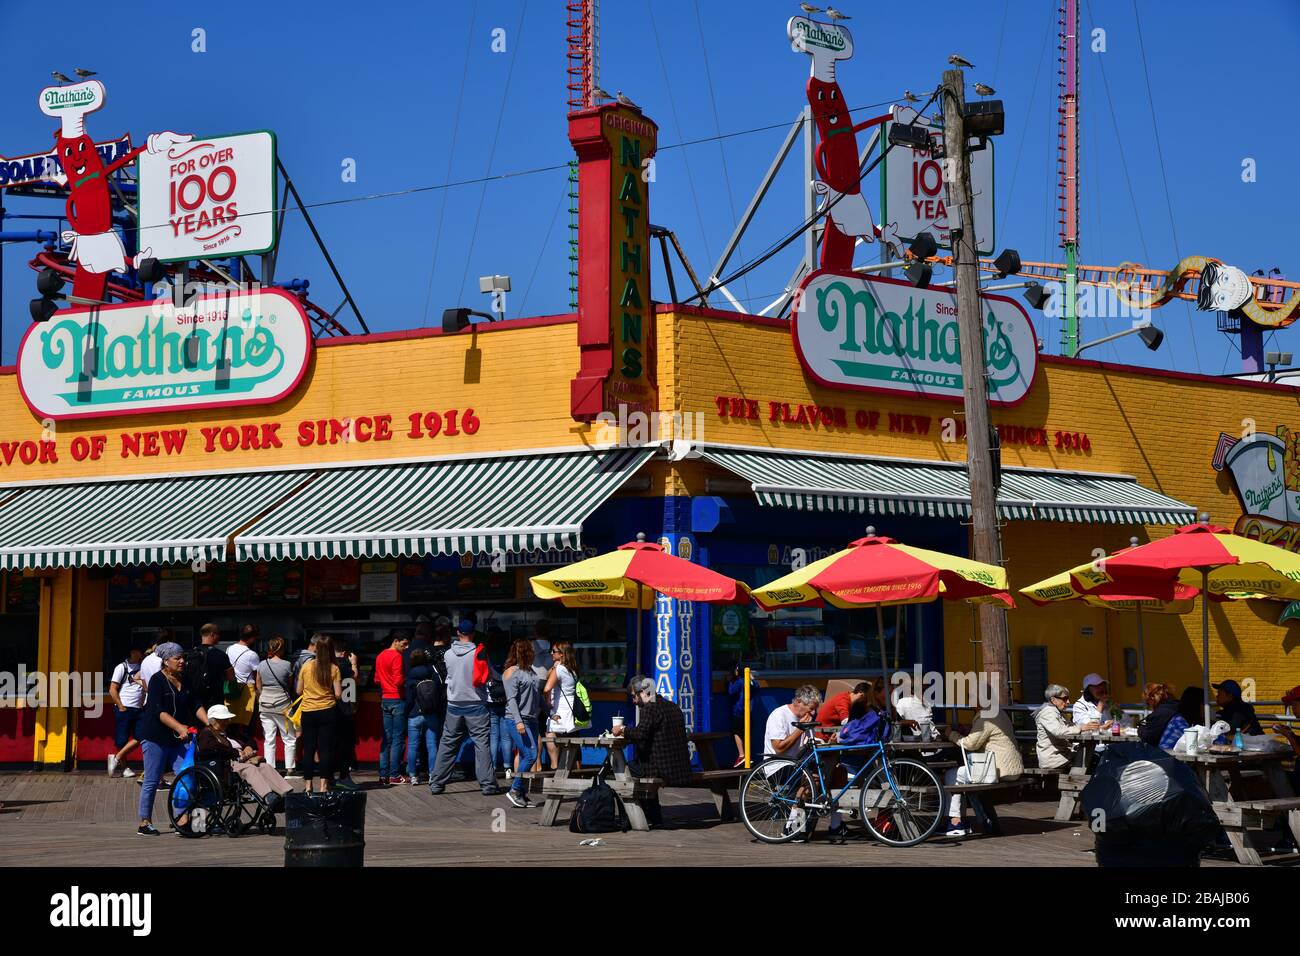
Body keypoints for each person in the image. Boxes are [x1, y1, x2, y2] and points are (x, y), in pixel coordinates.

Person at [135, 642, 208, 836]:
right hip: (155, 736)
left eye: (183, 657)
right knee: (152, 780)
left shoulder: (186, 679)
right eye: (178, 658)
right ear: (166, 661)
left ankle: (181, 819)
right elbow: (158, 711)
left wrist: (210, 723)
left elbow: (195, 703)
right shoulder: (157, 681)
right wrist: (179, 727)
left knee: (187, 777)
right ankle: (145, 822)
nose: (182, 661)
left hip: (178, 738)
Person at [428, 619, 502, 796]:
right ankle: (488, 785)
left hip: (454, 704)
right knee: (481, 744)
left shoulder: (448, 654)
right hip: (476, 703)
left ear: (458, 633)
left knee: (447, 744)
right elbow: (489, 675)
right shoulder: (479, 652)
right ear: (473, 634)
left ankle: (437, 783)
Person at [613, 676, 692, 826]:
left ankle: (630, 819)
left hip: (663, 768)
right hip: (681, 767)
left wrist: (622, 730)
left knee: (620, 772)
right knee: (640, 766)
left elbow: (640, 734)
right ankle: (654, 816)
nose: (634, 701)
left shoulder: (650, 708)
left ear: (642, 692)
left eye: (633, 696)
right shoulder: (672, 706)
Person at [943, 709, 1023, 837]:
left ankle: (956, 822)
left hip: (997, 769)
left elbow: (970, 744)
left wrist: (950, 734)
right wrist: (970, 729)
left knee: (951, 776)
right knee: (969, 779)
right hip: (1012, 768)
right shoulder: (999, 712)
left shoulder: (986, 717)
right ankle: (969, 822)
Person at [196, 704, 293, 807]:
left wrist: (248, 747)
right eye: (223, 719)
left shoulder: (231, 731)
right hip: (227, 763)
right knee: (250, 769)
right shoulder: (207, 733)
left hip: (244, 759)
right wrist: (236, 753)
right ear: (213, 720)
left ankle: (288, 793)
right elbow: (211, 748)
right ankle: (268, 796)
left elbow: (250, 740)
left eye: (227, 719)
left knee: (265, 767)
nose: (226, 722)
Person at [295, 634, 342, 794]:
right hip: (328, 711)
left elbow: (298, 690)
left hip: (308, 711)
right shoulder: (334, 668)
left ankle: (308, 785)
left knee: (308, 749)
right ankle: (323, 786)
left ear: (316, 648)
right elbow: (338, 694)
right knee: (325, 750)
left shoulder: (306, 667)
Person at [502, 639, 542, 808]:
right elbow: (511, 700)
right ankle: (515, 789)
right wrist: (518, 722)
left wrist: (550, 712)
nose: (533, 654)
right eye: (531, 651)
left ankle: (522, 793)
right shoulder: (512, 672)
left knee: (530, 755)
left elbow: (537, 696)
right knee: (530, 755)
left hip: (532, 719)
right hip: (516, 719)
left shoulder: (531, 671)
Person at [255, 636, 297, 777]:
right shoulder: (286, 664)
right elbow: (290, 684)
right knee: (289, 737)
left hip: (265, 705)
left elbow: (258, 684)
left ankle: (270, 767)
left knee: (269, 738)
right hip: (283, 705)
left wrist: (264, 695)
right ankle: (290, 768)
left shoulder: (261, 664)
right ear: (282, 648)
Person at [375, 630, 410, 785]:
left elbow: (376, 679)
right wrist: (406, 678)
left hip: (385, 699)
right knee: (398, 739)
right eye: (404, 644)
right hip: (397, 698)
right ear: (396, 641)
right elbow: (398, 681)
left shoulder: (380, 655)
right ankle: (394, 774)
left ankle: (383, 775)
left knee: (387, 738)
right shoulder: (397, 656)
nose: (406, 647)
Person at [1035, 684, 1098, 770]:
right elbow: (1058, 731)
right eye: (1065, 699)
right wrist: (1080, 728)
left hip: (1063, 755)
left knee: (1093, 757)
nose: (1068, 702)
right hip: (1054, 759)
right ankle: (1079, 782)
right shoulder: (1048, 713)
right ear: (1053, 700)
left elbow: (1071, 726)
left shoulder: (1057, 712)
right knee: (1093, 760)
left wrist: (1090, 726)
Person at [543, 640, 583, 769]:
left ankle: (555, 767)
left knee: (550, 734)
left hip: (560, 710)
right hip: (573, 709)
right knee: (574, 742)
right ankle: (577, 772)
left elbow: (546, 688)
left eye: (554, 651)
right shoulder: (572, 668)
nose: (551, 653)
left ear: (562, 654)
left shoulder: (559, 669)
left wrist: (547, 701)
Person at [108, 646, 146, 778]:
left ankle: (116, 758)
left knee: (141, 736)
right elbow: (113, 689)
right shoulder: (122, 667)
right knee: (121, 740)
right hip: (124, 707)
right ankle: (125, 768)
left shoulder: (144, 667)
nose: (141, 653)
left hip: (139, 708)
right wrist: (120, 706)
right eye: (139, 650)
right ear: (132, 652)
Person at [405, 649, 442, 785]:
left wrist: (406, 712)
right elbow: (438, 693)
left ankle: (413, 775)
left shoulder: (410, 676)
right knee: (432, 745)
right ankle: (433, 774)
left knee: (413, 746)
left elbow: (409, 699)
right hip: (431, 713)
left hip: (415, 714)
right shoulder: (432, 673)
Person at [763, 685, 822, 764]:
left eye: (815, 709)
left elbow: (810, 745)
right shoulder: (779, 715)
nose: (813, 713)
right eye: (811, 708)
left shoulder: (805, 717)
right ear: (798, 702)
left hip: (797, 764)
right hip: (778, 766)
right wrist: (800, 729)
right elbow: (778, 748)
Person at [333, 637, 359, 789]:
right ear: (344, 653)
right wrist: (354, 663)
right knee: (345, 745)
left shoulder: (326, 664)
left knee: (331, 745)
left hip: (329, 709)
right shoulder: (343, 664)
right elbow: (354, 678)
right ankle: (344, 777)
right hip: (344, 710)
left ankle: (328, 779)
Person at [194, 623, 234, 713]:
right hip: (215, 698)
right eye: (218, 634)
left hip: (196, 700)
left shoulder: (192, 653)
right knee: (216, 724)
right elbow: (230, 677)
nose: (219, 637)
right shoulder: (220, 655)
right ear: (212, 634)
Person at [225, 624, 260, 727]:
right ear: (252, 638)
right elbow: (257, 675)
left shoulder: (229, 649)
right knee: (245, 722)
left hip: (231, 687)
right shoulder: (252, 654)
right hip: (246, 690)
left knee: (231, 719)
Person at [727, 661, 758, 767]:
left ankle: (742, 755)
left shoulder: (740, 681)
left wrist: (730, 681)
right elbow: (757, 686)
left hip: (739, 712)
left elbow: (731, 691)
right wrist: (751, 678)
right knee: (747, 734)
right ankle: (748, 756)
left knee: (736, 732)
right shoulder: (751, 682)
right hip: (748, 713)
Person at [1137, 682, 1180, 747]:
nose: (1149, 706)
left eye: (1148, 703)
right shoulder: (1174, 706)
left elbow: (1148, 736)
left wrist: (1140, 729)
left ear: (1152, 698)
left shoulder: (1162, 712)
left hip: (1166, 751)